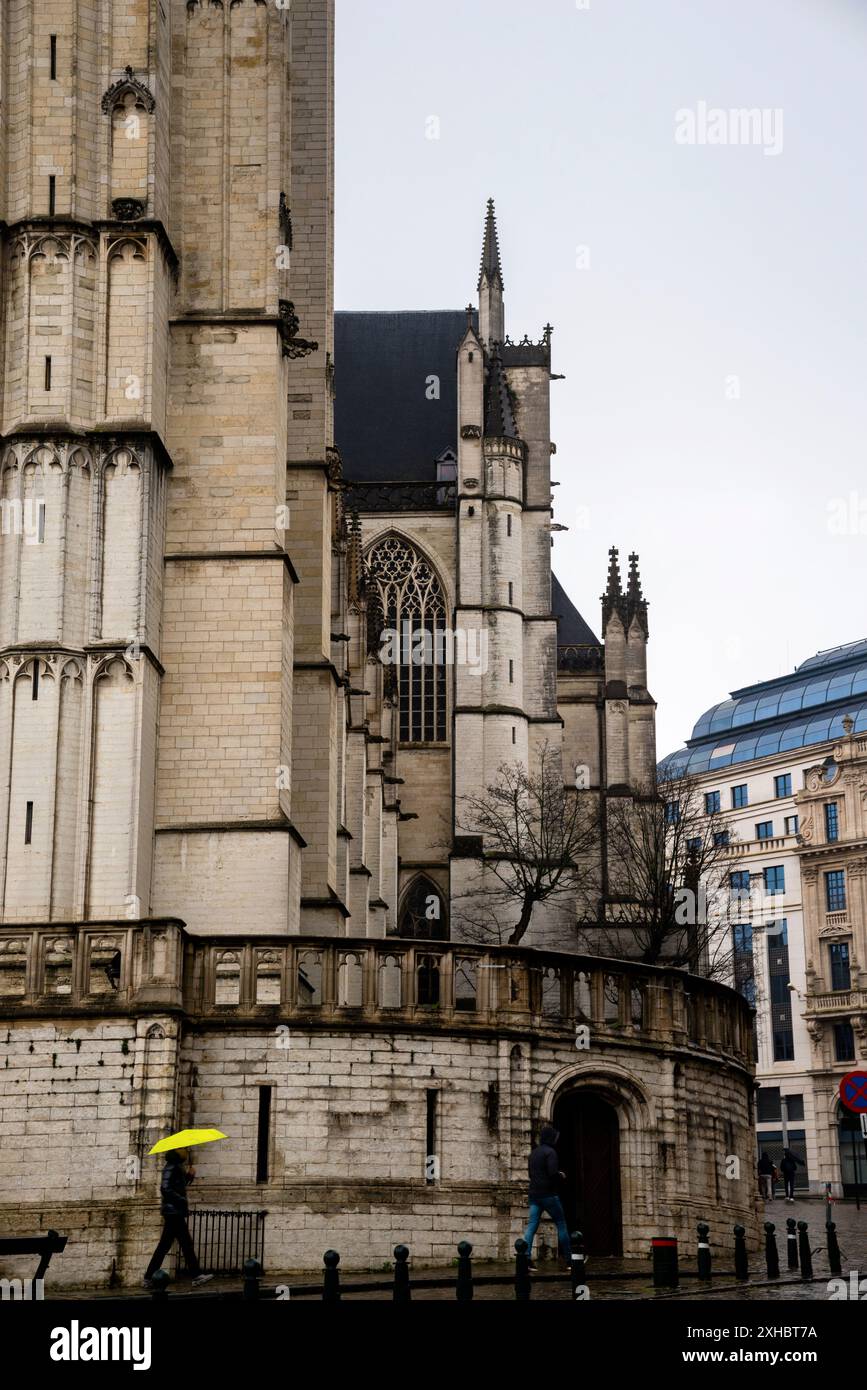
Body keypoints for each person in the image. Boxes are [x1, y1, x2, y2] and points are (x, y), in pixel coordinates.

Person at [144, 1149, 214, 1287]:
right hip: (173, 1212)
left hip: (174, 1212)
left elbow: (178, 1186)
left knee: (171, 1245)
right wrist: (181, 1200)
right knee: (183, 1244)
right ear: (177, 1153)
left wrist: (189, 1176)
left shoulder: (176, 1167)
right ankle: (196, 1275)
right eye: (183, 1151)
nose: (186, 1153)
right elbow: (165, 1188)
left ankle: (149, 1277)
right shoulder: (171, 1167)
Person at [523, 1124, 573, 1270]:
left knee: (531, 1226)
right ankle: (570, 1261)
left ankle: (525, 1259)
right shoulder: (550, 1152)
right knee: (561, 1224)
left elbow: (531, 1175)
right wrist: (560, 1175)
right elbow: (552, 1173)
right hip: (548, 1194)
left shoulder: (533, 1153)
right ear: (551, 1138)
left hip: (534, 1194)